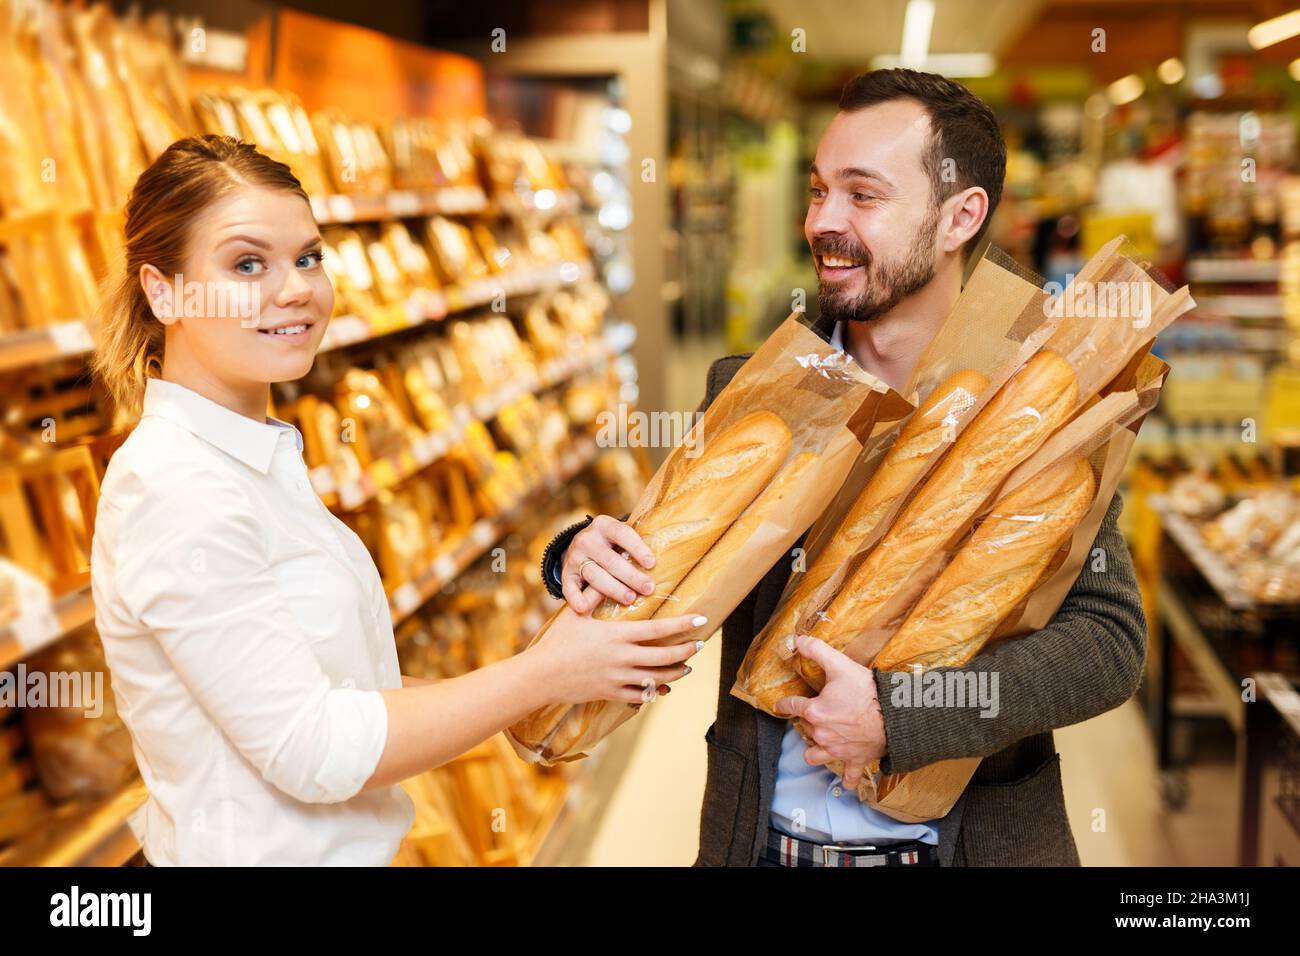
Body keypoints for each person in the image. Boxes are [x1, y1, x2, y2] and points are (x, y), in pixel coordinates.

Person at [540, 69, 1147, 867]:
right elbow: (682, 570)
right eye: (819, 189)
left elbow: (1109, 642)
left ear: (962, 215)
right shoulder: (756, 387)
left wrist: (907, 714)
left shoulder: (1038, 409)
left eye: (863, 197)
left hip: (965, 848)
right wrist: (576, 553)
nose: (822, 220)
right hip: (763, 841)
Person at [89, 135, 705, 866]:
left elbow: (350, 687)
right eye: (247, 263)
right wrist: (540, 676)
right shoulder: (175, 488)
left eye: (308, 257)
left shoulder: (252, 456)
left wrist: (554, 663)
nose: (295, 289)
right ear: (164, 291)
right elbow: (311, 748)